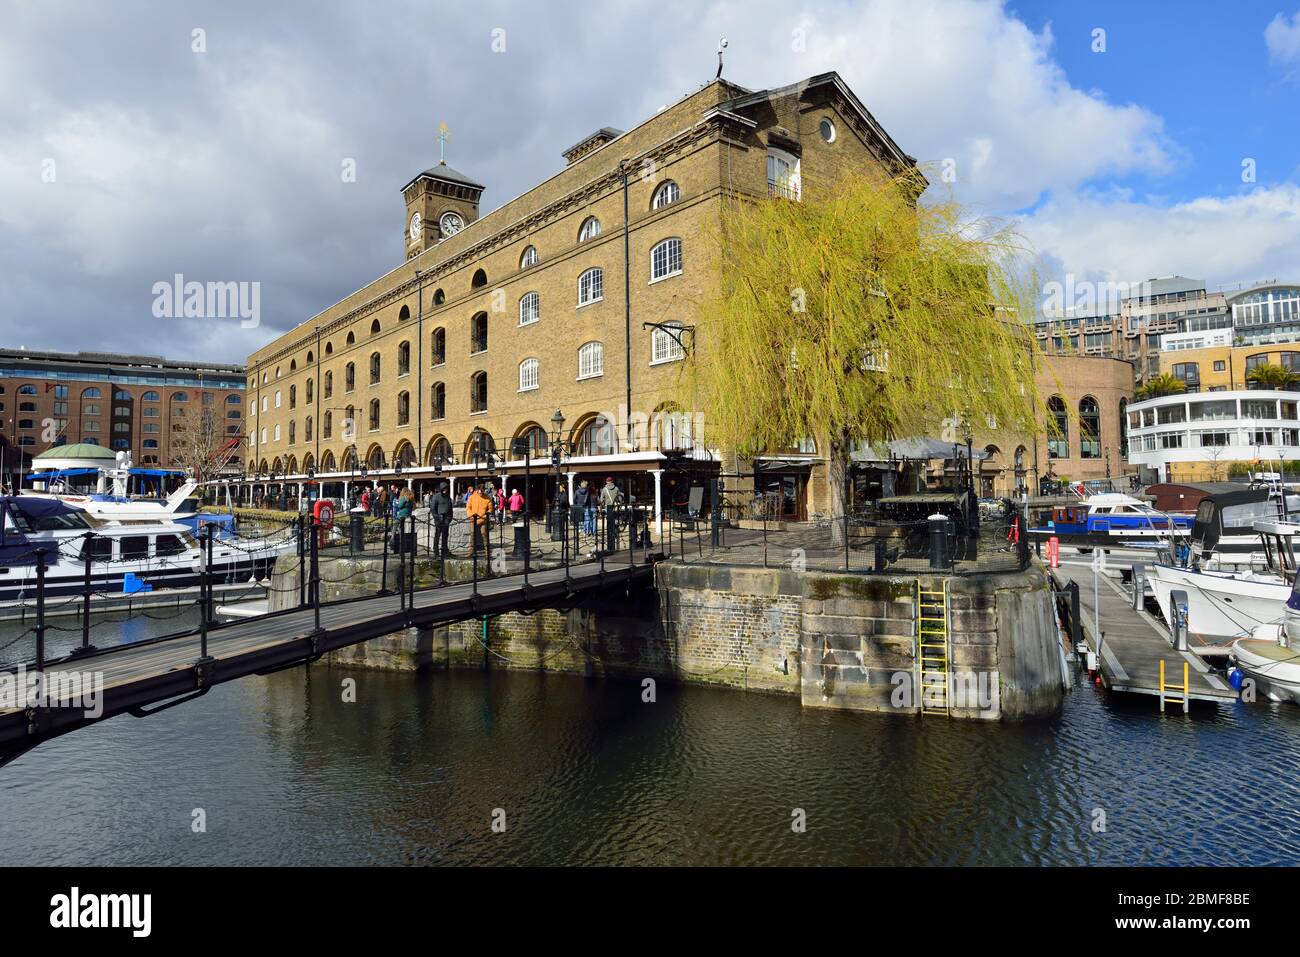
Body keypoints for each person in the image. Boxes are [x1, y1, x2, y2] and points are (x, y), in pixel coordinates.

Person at [467, 483, 493, 566]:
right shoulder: (472, 497)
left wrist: (485, 516)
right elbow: (468, 507)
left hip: (483, 519)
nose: (481, 492)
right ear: (477, 490)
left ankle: (487, 553)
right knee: (472, 534)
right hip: (473, 519)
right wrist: (470, 515)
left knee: (484, 534)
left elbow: (490, 509)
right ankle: (471, 552)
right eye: (480, 490)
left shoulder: (487, 498)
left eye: (482, 490)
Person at [599, 476, 625, 553]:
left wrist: (602, 505)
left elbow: (601, 500)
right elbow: (620, 498)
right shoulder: (616, 488)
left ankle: (610, 534)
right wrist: (619, 503)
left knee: (609, 521)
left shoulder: (604, 489)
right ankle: (616, 531)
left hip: (608, 507)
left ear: (607, 482)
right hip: (615, 506)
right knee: (616, 519)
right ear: (612, 481)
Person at [431, 482, 453, 557]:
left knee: (445, 535)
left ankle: (444, 550)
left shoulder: (448, 497)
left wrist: (450, 517)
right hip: (439, 519)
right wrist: (436, 517)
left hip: (446, 518)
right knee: (437, 535)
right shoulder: (436, 497)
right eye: (444, 489)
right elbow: (433, 508)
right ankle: (436, 551)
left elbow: (450, 508)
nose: (445, 490)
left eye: (446, 489)